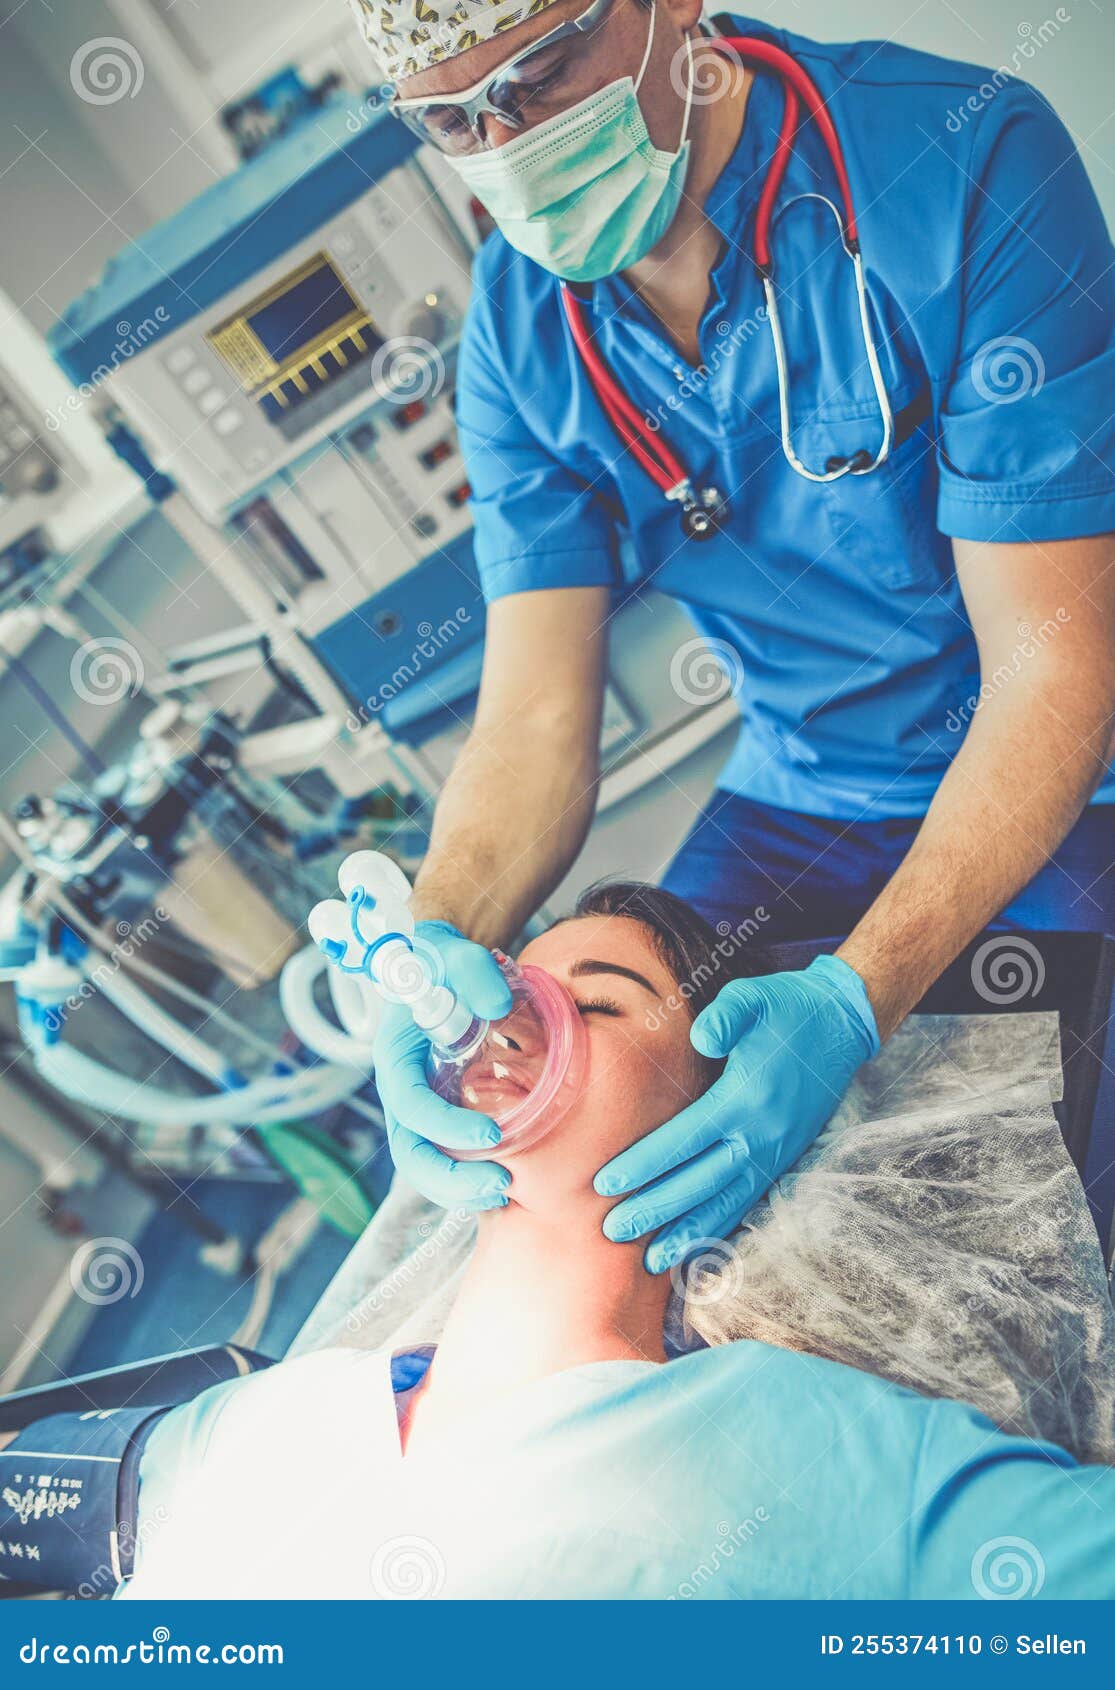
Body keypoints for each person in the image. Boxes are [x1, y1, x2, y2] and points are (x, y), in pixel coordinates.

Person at [348, 0, 1115, 1272]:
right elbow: (535, 722)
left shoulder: (958, 160)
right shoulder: (519, 328)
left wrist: (850, 1002)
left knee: (1052, 1212)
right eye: (448, 120)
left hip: (1064, 768)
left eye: (540, 75)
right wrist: (431, 942)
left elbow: (1053, 668)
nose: (503, 142)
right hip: (801, 787)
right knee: (614, 1128)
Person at [56, 884, 1107, 1599]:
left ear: (729, 1105)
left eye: (596, 1001)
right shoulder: (254, 1420)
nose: (508, 1021)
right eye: (506, 990)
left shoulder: (793, 1449)